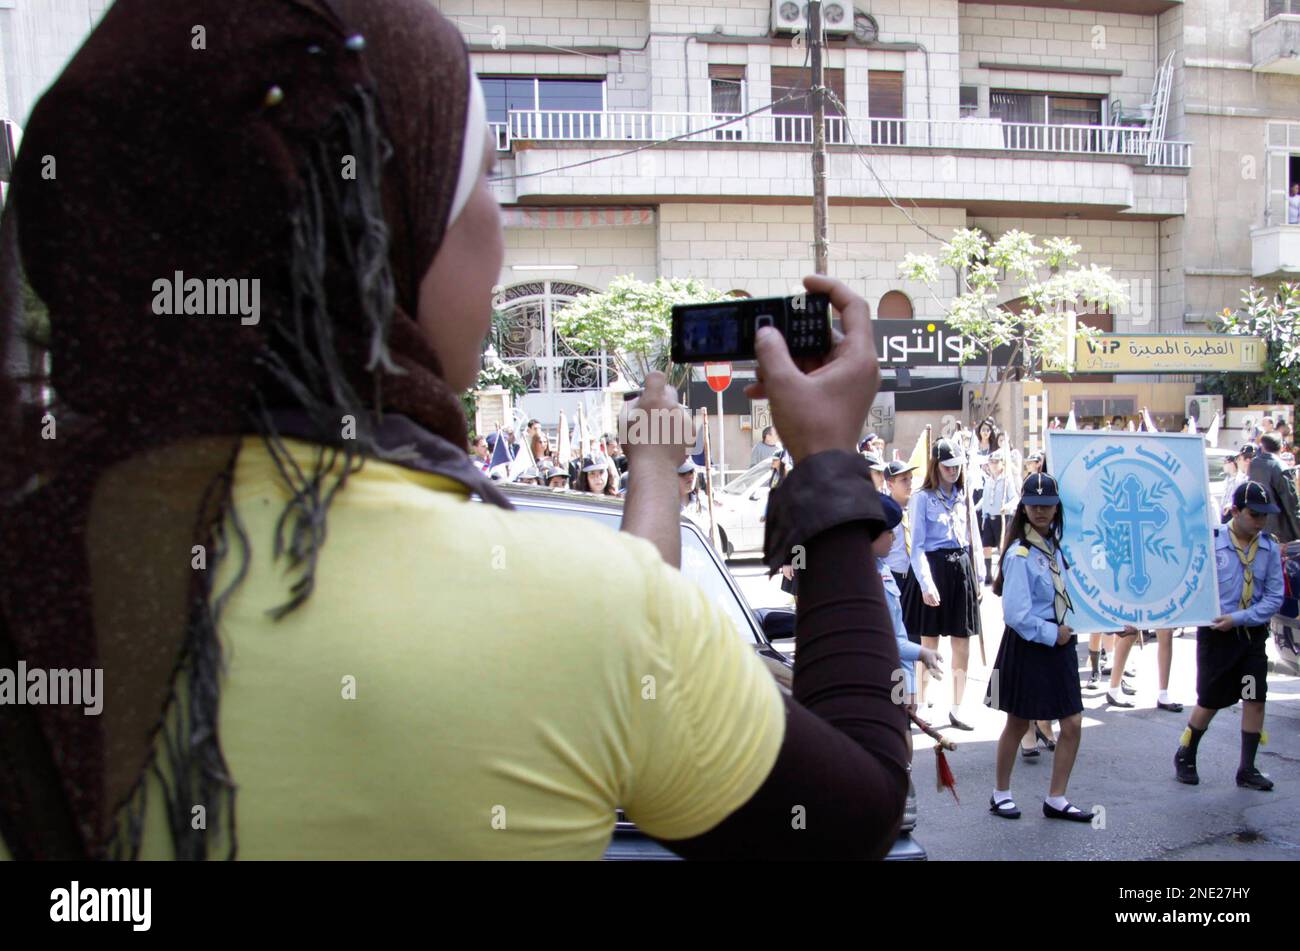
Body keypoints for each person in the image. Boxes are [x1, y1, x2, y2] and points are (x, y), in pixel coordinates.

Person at [0, 0, 915, 861]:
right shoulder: (588, 615)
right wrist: (830, 465)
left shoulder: (38, 558)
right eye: (475, 173)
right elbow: (856, 810)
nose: (502, 225)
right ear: (373, 231)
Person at [985, 473, 1090, 822]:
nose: (1041, 511)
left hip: (1059, 642)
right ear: (1024, 507)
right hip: (1031, 643)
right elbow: (1015, 614)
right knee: (1018, 722)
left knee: (1072, 722)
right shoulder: (1020, 553)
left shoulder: (1057, 548)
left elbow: (1077, 595)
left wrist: (1112, 623)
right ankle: (1000, 793)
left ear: (1057, 508)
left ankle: (1056, 798)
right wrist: (1051, 634)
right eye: (1034, 504)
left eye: (1047, 505)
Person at [1174, 482, 1285, 791]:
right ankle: (1186, 753)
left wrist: (1239, 618)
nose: (1260, 522)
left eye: (1265, 515)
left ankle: (1247, 768)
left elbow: (1274, 596)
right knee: (1210, 700)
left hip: (1249, 637)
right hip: (1216, 637)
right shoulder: (1211, 543)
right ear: (1235, 511)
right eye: (1254, 514)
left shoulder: (1269, 548)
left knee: (1254, 697)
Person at [908, 437, 985, 730]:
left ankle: (957, 706)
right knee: (929, 642)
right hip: (934, 567)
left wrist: (978, 579)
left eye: (957, 466)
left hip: (961, 567)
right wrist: (926, 584)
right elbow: (916, 547)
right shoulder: (922, 498)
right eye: (947, 466)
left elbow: (974, 539)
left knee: (962, 642)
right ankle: (923, 702)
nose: (953, 471)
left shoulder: (964, 496)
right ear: (936, 466)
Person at [875, 496, 943, 758]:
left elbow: (898, 634)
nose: (894, 538)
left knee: (903, 753)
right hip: (871, 686)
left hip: (893, 679)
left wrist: (907, 686)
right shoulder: (861, 580)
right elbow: (880, 641)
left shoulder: (883, 569)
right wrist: (922, 653)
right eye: (889, 532)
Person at [1248, 432, 1300, 542]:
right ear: (1281, 447)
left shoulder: (1254, 464)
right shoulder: (1281, 467)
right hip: (1278, 534)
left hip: (1256, 529)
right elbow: (1292, 506)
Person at [979, 449, 1018, 583]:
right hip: (989, 518)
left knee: (1002, 547)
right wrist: (982, 514)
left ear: (1002, 463)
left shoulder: (1007, 481)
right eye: (991, 462)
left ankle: (1002, 575)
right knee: (986, 547)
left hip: (1002, 519)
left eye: (997, 462)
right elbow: (984, 500)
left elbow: (1015, 499)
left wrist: (1007, 507)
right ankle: (988, 575)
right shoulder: (988, 480)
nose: (994, 465)